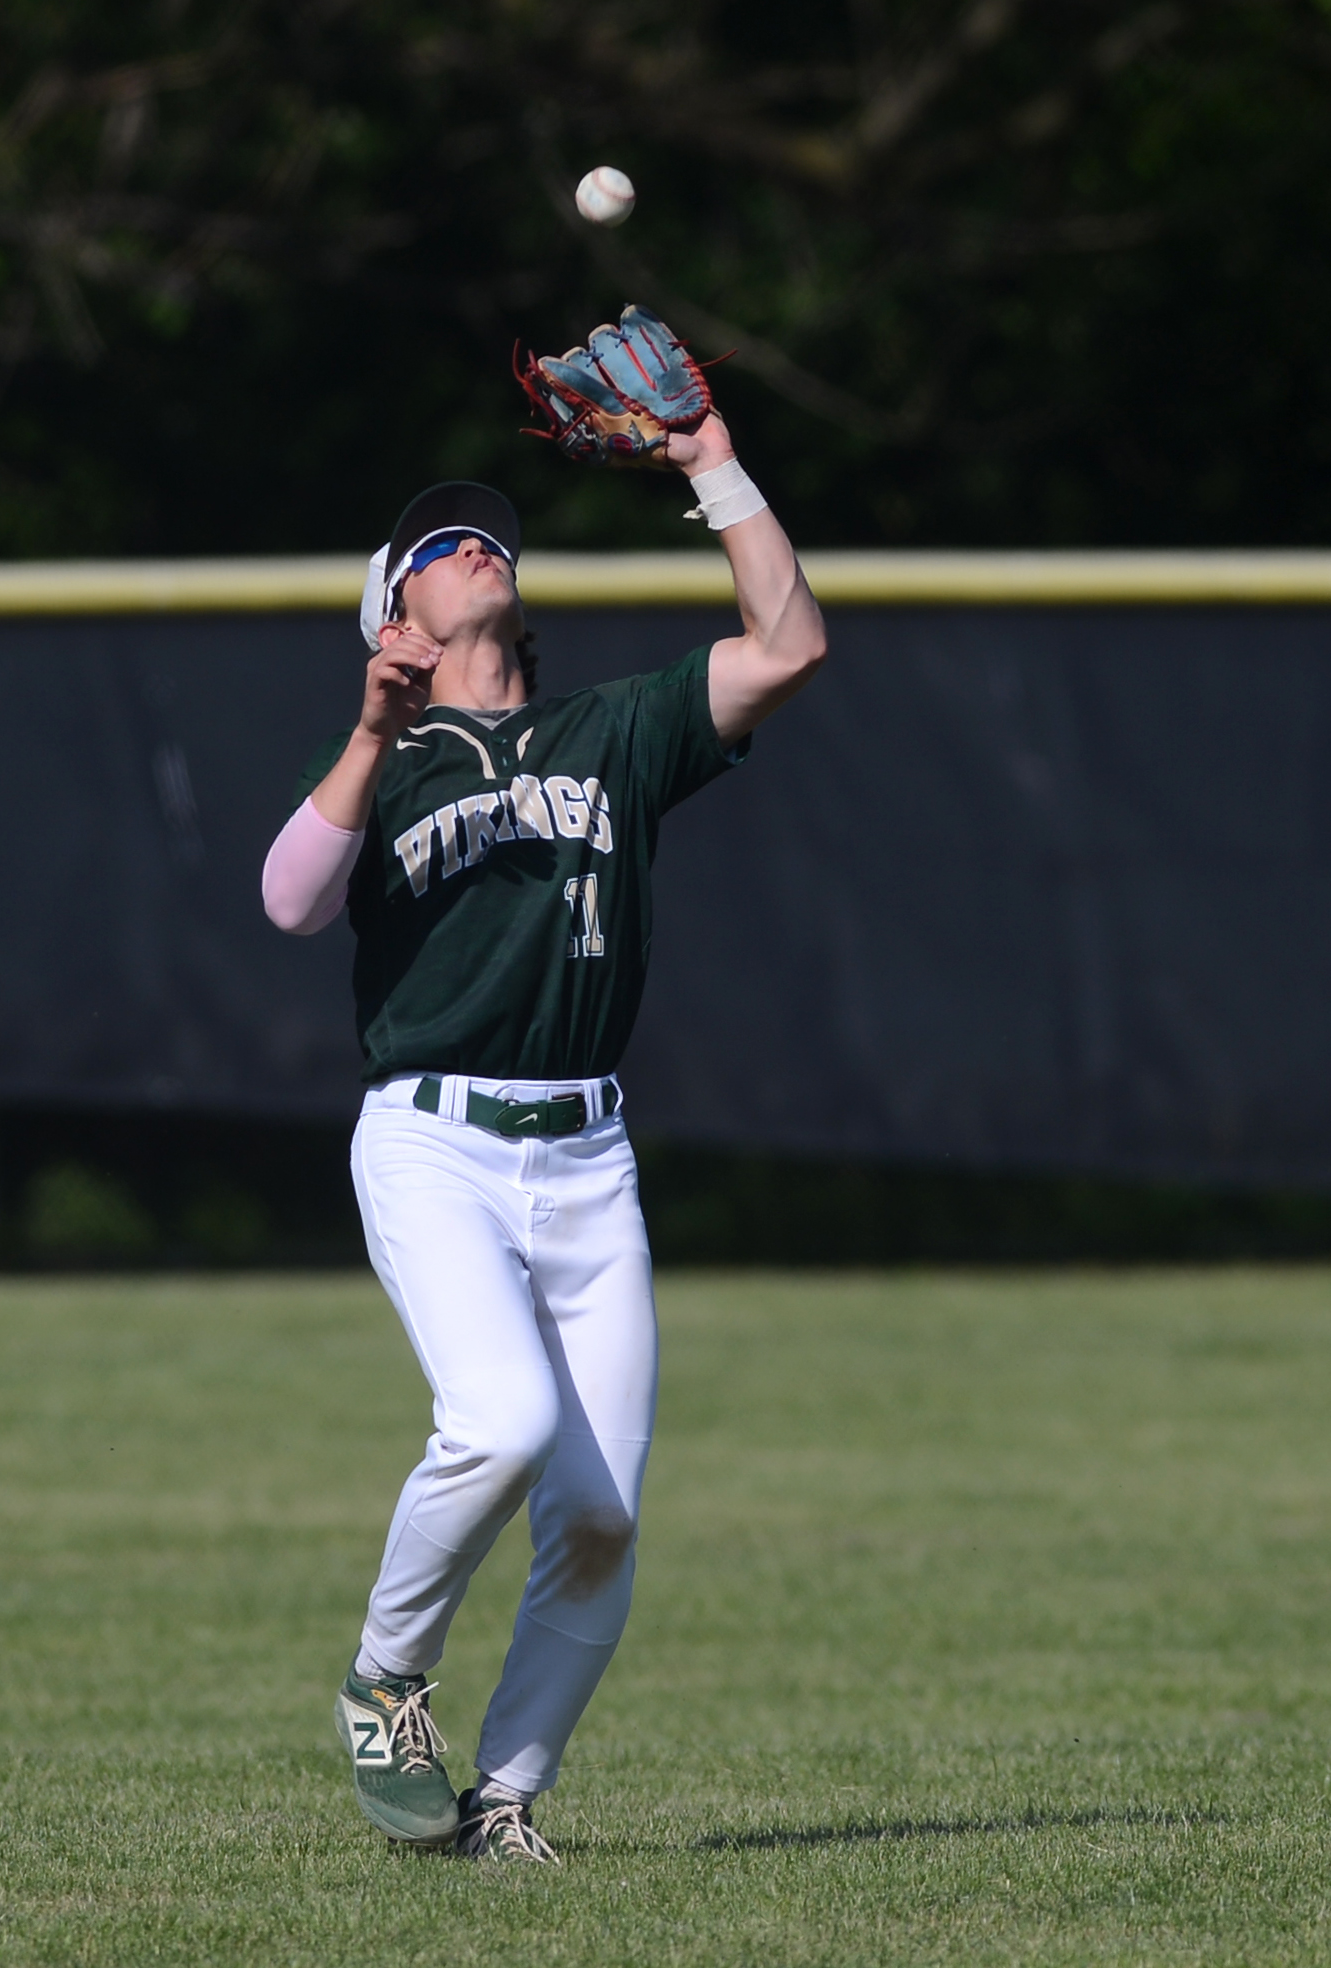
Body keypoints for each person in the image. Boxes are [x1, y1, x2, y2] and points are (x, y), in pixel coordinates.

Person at [261, 414, 825, 1862]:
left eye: (487, 534)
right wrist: (375, 727)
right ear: (395, 616)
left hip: (586, 1161)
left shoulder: (612, 733)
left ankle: (502, 1801)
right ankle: (389, 1679)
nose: (473, 547)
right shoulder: (390, 757)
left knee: (600, 1518)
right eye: (438, 545)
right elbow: (289, 899)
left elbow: (789, 645)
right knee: (501, 1421)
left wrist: (710, 456)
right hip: (435, 1145)